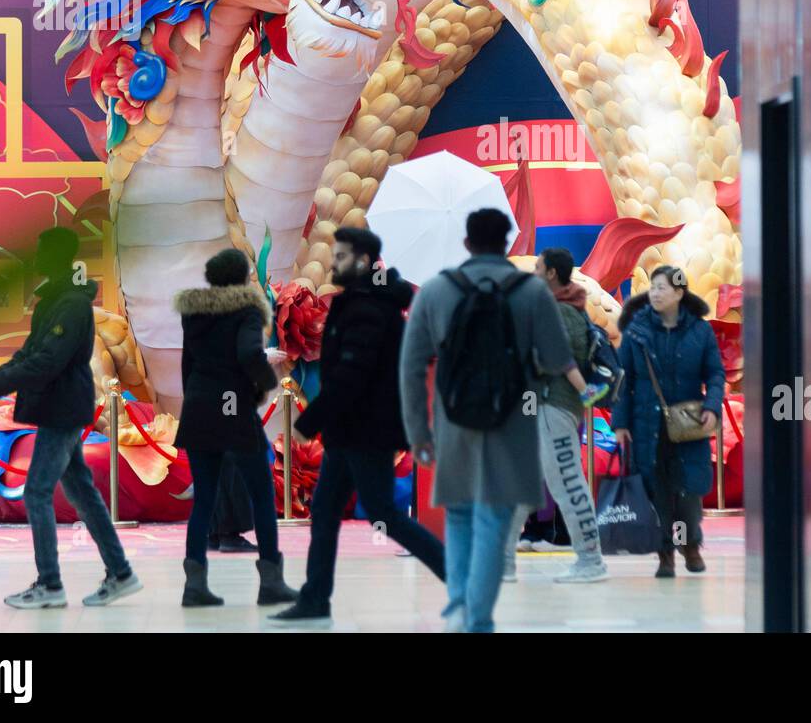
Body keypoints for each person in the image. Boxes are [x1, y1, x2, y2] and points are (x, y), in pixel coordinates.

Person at [399, 208, 576, 633]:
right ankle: (475, 617)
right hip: (513, 421)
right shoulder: (532, 292)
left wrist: (417, 432)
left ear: (467, 243)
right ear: (507, 242)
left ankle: (460, 606)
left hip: (453, 420)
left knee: (459, 515)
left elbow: (409, 365)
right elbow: (555, 359)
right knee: (496, 520)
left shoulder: (437, 290)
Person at [270, 227, 447, 627]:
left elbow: (351, 374)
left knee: (385, 513)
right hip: (352, 432)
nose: (334, 262)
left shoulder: (368, 307)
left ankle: (457, 575)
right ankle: (315, 598)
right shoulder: (362, 301)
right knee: (326, 509)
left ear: (364, 261)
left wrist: (309, 422)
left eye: (343, 256)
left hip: (367, 432)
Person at [0, 228, 142, 609]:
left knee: (37, 492)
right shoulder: (55, 301)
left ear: (57, 257)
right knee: (83, 493)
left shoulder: (69, 306)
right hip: (60, 408)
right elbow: (28, 355)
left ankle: (50, 584)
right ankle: (121, 572)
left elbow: (46, 362)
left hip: (63, 411)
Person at [172, 248, 297, 607]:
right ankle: (271, 581)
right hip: (235, 407)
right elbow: (247, 354)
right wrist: (262, 385)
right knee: (261, 495)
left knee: (204, 500)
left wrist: (194, 401)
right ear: (243, 278)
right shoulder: (246, 310)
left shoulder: (193, 312)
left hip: (200, 407)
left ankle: (194, 585)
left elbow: (187, 363)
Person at [611, 265, 725, 578]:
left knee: (688, 490)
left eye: (662, 287)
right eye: (653, 287)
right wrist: (620, 422)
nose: (656, 293)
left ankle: (689, 544)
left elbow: (714, 373)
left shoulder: (699, 331)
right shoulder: (636, 330)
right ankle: (665, 554)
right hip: (647, 425)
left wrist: (713, 406)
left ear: (679, 293)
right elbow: (624, 379)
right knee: (657, 491)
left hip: (688, 424)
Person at [503, 247, 608, 583]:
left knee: (567, 483)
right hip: (550, 407)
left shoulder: (558, 312)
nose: (533, 272)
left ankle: (590, 560)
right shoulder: (570, 307)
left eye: (537, 267)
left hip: (553, 406)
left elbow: (554, 358)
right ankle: (502, 562)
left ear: (550, 274)